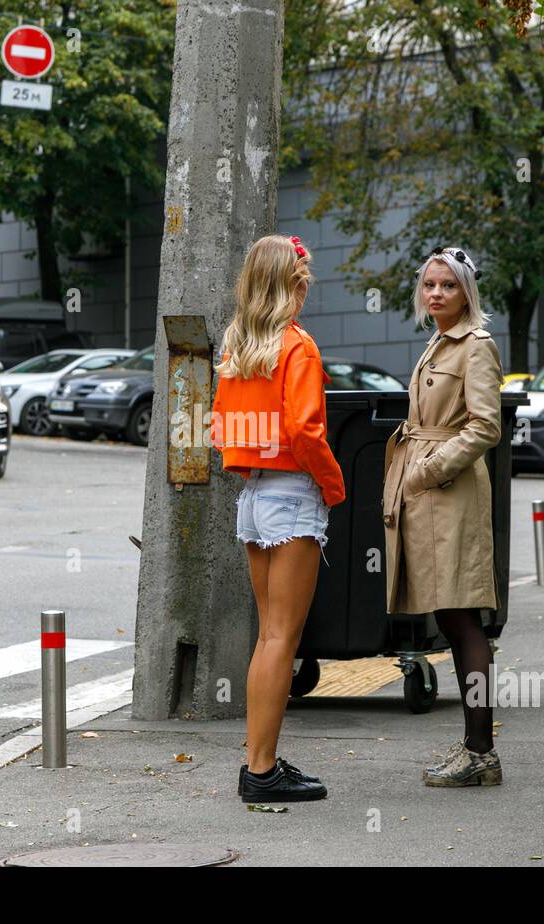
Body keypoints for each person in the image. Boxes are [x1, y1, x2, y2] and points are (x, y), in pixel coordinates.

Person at [210, 233, 345, 802]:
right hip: (293, 495)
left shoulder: (238, 347)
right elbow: (306, 430)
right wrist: (334, 485)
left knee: (269, 638)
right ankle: (261, 773)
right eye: (303, 280)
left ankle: (259, 764)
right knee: (281, 640)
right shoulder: (297, 347)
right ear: (290, 284)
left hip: (255, 497)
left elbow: (223, 430)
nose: (307, 289)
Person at [381, 246, 505, 787]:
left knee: (462, 620)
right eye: (430, 285)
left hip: (449, 493)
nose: (436, 293)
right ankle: (477, 748)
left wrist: (427, 470)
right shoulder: (438, 341)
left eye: (448, 285)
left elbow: (486, 427)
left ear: (466, 291)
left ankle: (480, 752)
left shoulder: (475, 346)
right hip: (429, 493)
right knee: (452, 622)